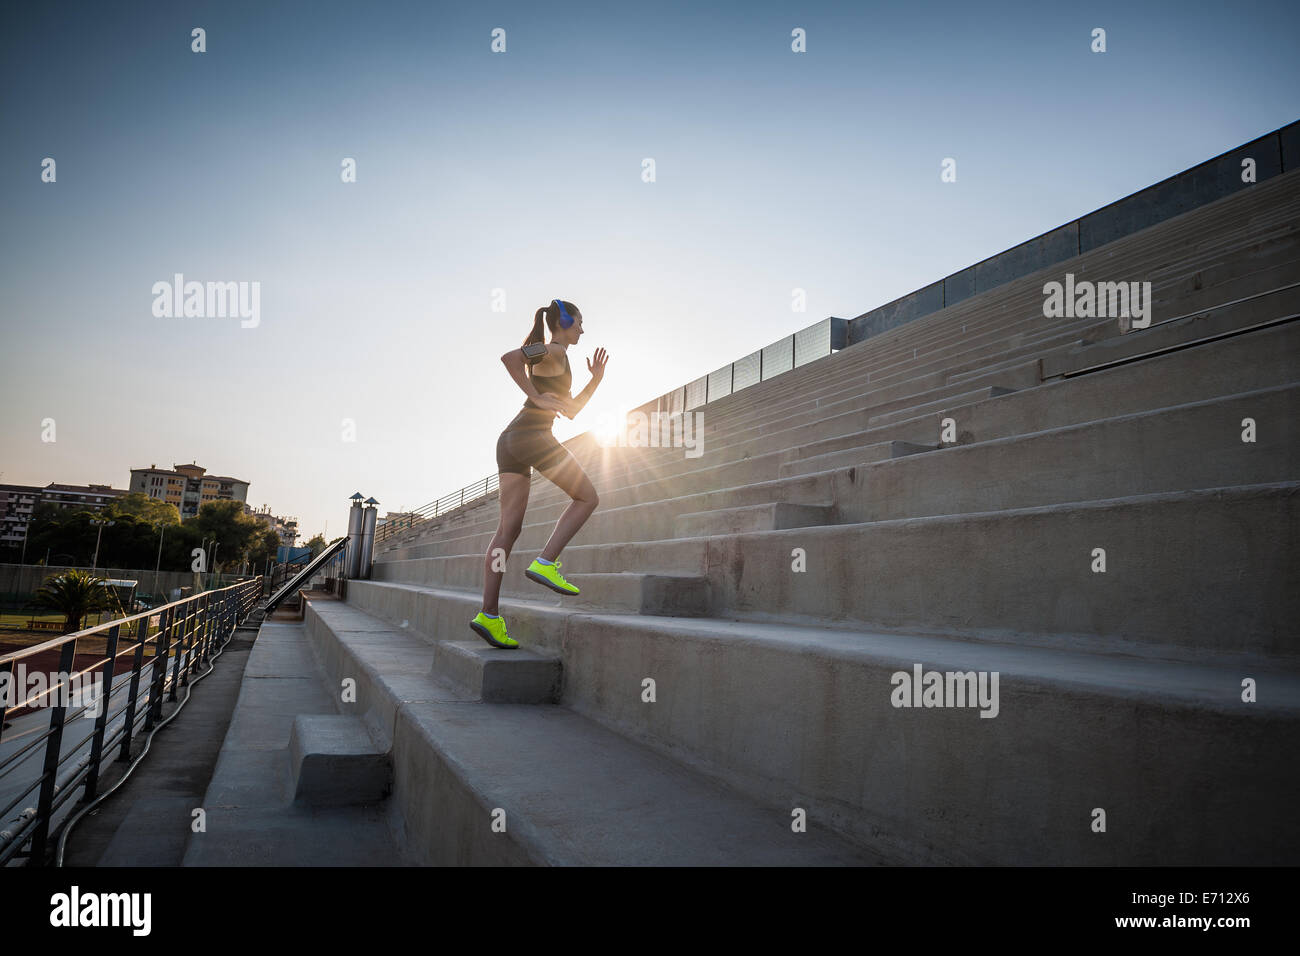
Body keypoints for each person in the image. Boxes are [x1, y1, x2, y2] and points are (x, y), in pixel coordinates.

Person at [470, 299, 609, 648]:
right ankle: (546, 561)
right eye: (579, 322)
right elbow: (510, 358)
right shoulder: (552, 349)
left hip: (512, 440)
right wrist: (536, 396)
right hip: (532, 436)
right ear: (563, 321)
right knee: (587, 497)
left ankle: (488, 615)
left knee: (508, 530)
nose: (582, 329)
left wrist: (596, 381)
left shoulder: (559, 357)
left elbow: (572, 411)